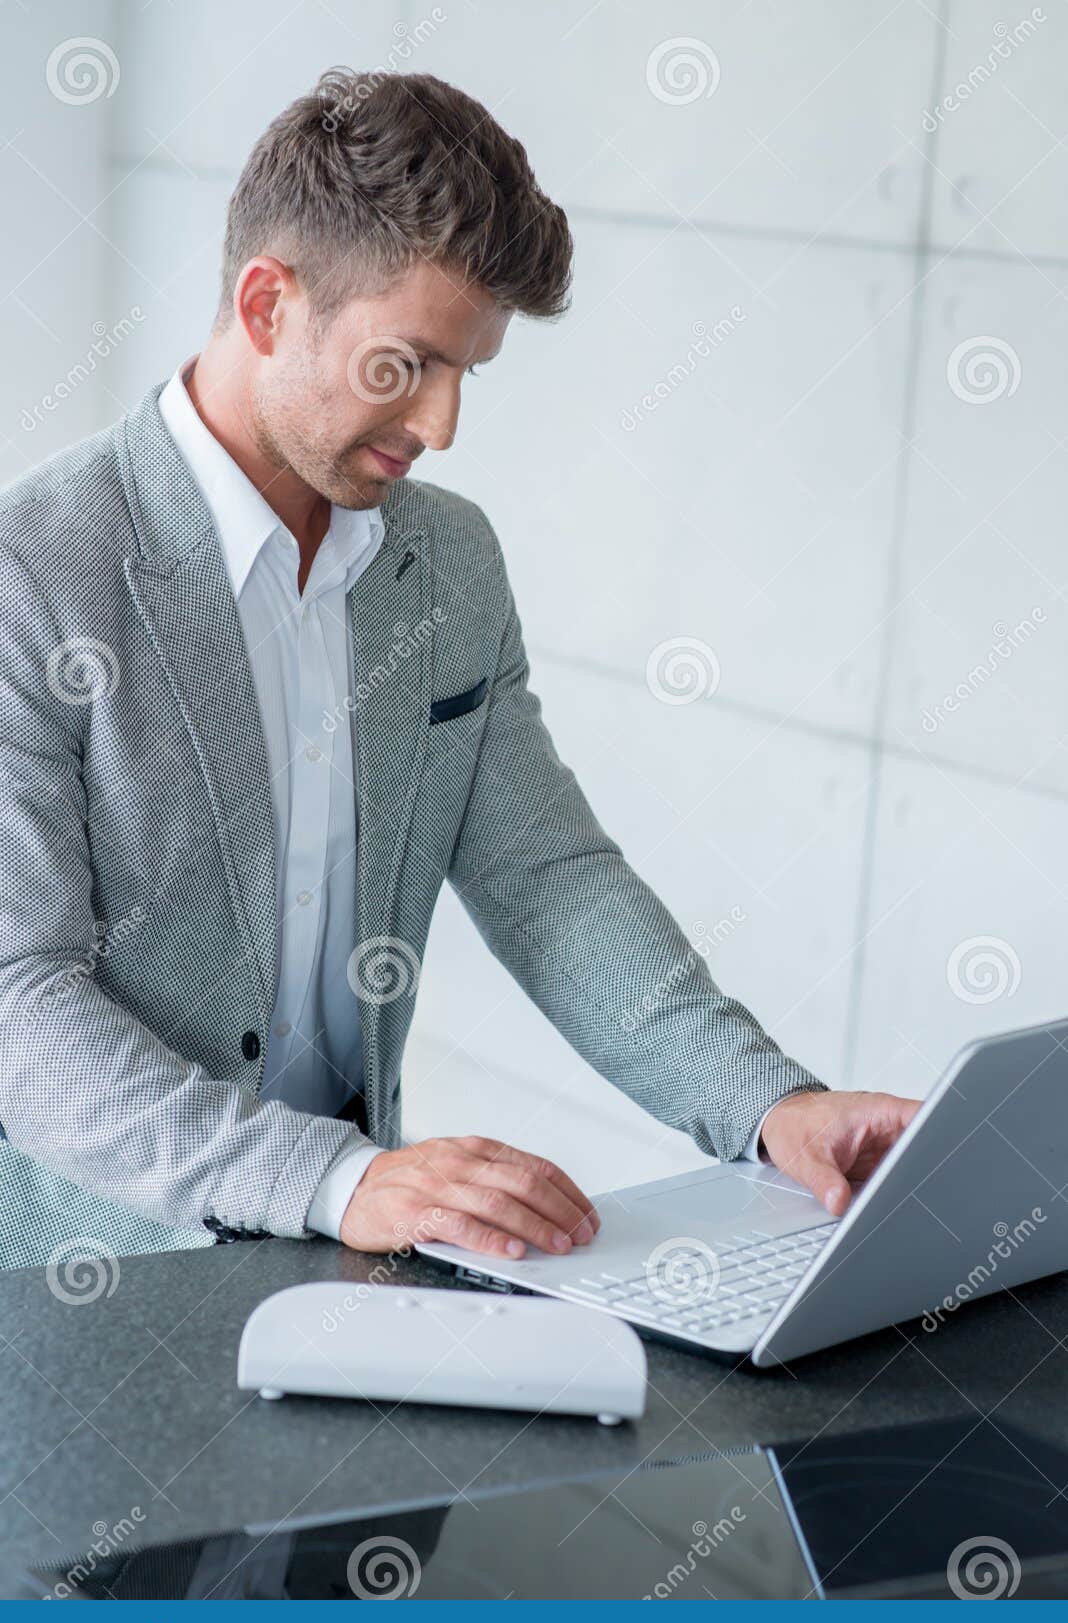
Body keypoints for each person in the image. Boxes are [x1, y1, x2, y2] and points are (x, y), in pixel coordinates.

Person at [0, 70, 918, 1273]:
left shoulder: (449, 564)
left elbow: (550, 878)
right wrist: (329, 1176)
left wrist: (764, 1102)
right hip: (90, 1280)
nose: (441, 426)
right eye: (407, 365)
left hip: (348, 1249)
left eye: (467, 373)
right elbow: (20, 1003)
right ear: (268, 303)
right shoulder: (35, 574)